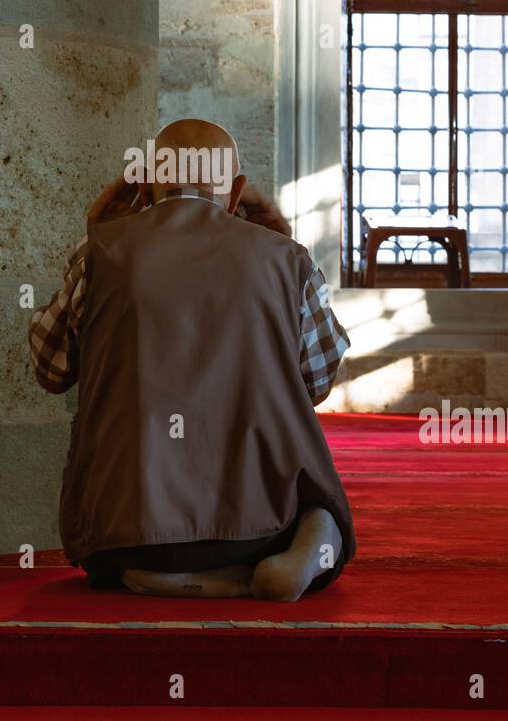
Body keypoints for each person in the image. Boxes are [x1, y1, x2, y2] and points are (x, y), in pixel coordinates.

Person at [28, 119, 355, 601]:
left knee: (118, 536)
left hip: (123, 532)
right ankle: (290, 552)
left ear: (146, 184)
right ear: (236, 190)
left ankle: (163, 577)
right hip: (262, 524)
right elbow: (319, 381)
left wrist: (101, 242)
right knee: (323, 509)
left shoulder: (98, 252)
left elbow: (50, 368)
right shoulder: (287, 259)